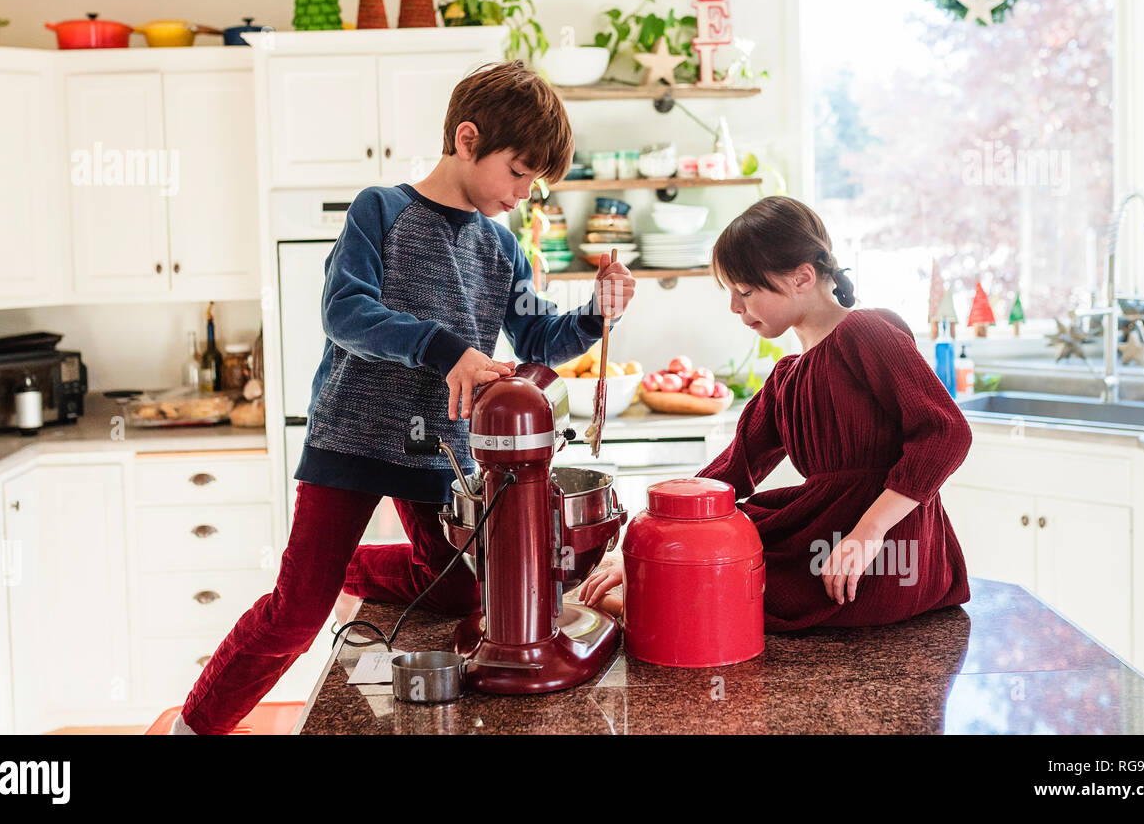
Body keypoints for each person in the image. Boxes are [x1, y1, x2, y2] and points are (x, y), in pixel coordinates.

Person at [175, 61, 635, 733]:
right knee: (296, 615)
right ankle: (195, 723)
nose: (523, 192)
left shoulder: (503, 247)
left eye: (534, 182)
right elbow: (344, 313)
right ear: (468, 139)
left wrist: (596, 314)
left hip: (439, 457)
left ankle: (344, 568)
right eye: (518, 172)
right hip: (351, 441)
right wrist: (445, 348)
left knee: (456, 590)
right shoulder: (380, 210)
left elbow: (540, 334)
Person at [578, 196, 970, 630]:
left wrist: (867, 534)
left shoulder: (866, 332)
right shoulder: (788, 376)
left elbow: (946, 432)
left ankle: (655, 608)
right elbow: (729, 470)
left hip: (890, 548)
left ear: (803, 277)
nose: (734, 306)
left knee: (740, 585)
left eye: (745, 291)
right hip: (827, 532)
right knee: (736, 539)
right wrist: (642, 548)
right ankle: (658, 601)